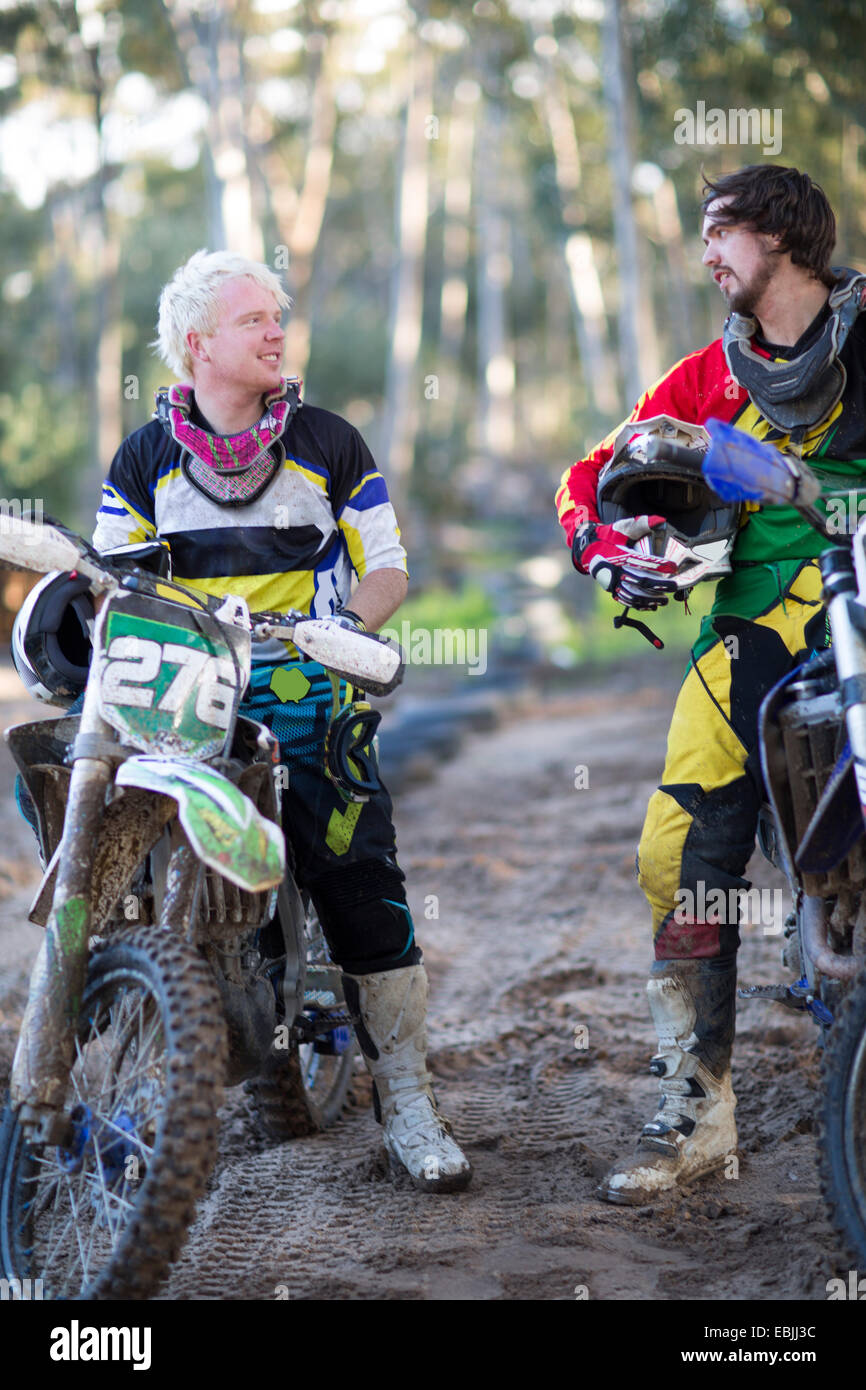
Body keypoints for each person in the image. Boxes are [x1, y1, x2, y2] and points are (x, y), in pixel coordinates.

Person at [91, 249, 471, 1193]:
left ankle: (411, 1103)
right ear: (197, 346)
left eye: (278, 316)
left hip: (307, 675)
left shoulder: (329, 441)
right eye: (255, 318)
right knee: (122, 843)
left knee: (354, 866)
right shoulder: (143, 460)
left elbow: (386, 567)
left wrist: (337, 630)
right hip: (186, 689)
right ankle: (140, 1066)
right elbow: (115, 586)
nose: (277, 331)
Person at [555, 165, 866, 1204]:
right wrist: (604, 548)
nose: (704, 254)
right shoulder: (700, 377)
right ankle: (695, 1107)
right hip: (743, 636)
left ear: (777, 234)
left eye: (717, 232)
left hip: (859, 613)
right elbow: (591, 470)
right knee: (672, 855)